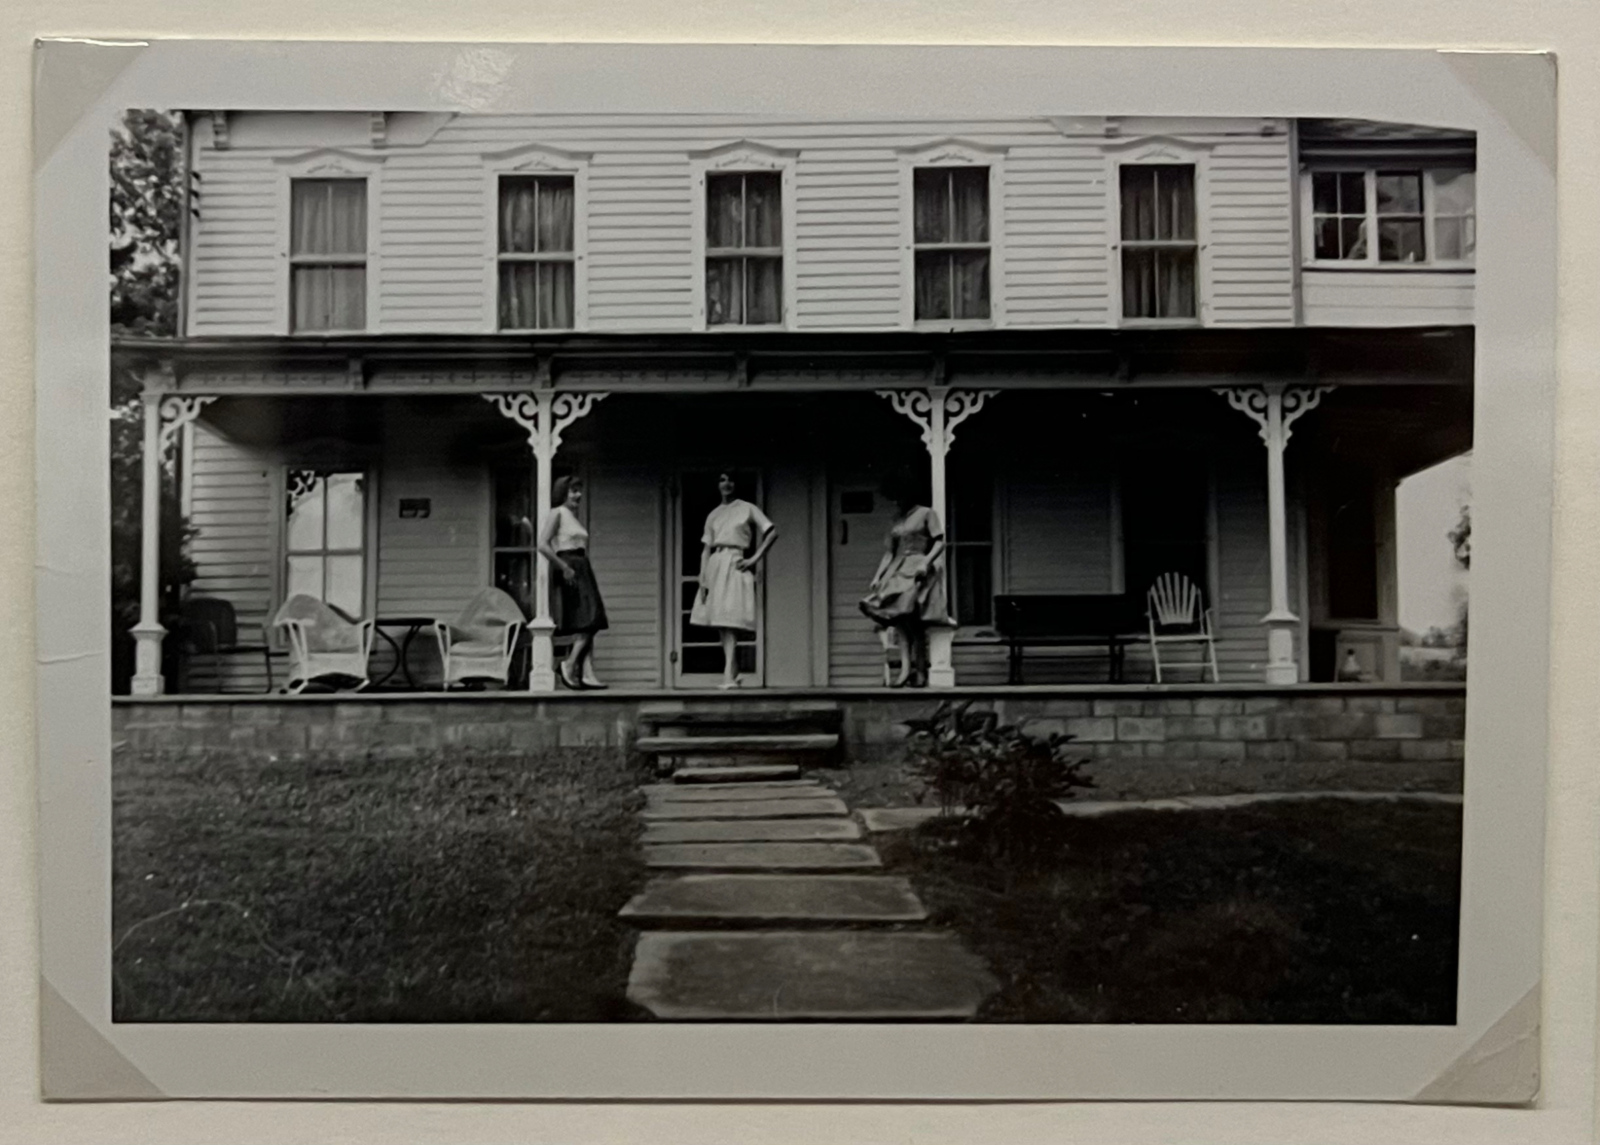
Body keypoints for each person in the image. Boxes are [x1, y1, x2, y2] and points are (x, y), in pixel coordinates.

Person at [859, 473, 949, 687]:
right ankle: (906, 670)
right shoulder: (896, 520)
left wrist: (925, 562)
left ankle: (919, 671)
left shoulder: (926, 513)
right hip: (899, 568)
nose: (899, 501)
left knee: (914, 619)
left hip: (918, 568)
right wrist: (878, 576)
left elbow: (940, 542)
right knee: (899, 619)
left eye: (901, 495)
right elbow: (889, 553)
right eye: (896, 497)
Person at [689, 472, 778, 688]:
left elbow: (771, 531)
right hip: (716, 564)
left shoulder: (747, 508)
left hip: (736, 562)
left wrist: (754, 559)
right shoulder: (714, 514)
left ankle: (728, 675)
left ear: (736, 484)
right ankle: (734, 671)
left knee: (730, 620)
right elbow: (706, 549)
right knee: (720, 621)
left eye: (730, 479)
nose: (726, 484)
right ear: (717, 485)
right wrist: (703, 579)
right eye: (721, 480)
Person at [537, 475, 609, 690]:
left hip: (581, 565)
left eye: (579, 490)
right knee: (590, 619)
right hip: (569, 566)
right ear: (562, 492)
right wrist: (564, 567)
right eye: (573, 491)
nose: (578, 495)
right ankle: (569, 665)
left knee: (589, 620)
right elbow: (542, 544)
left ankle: (587, 673)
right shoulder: (557, 513)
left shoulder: (572, 516)